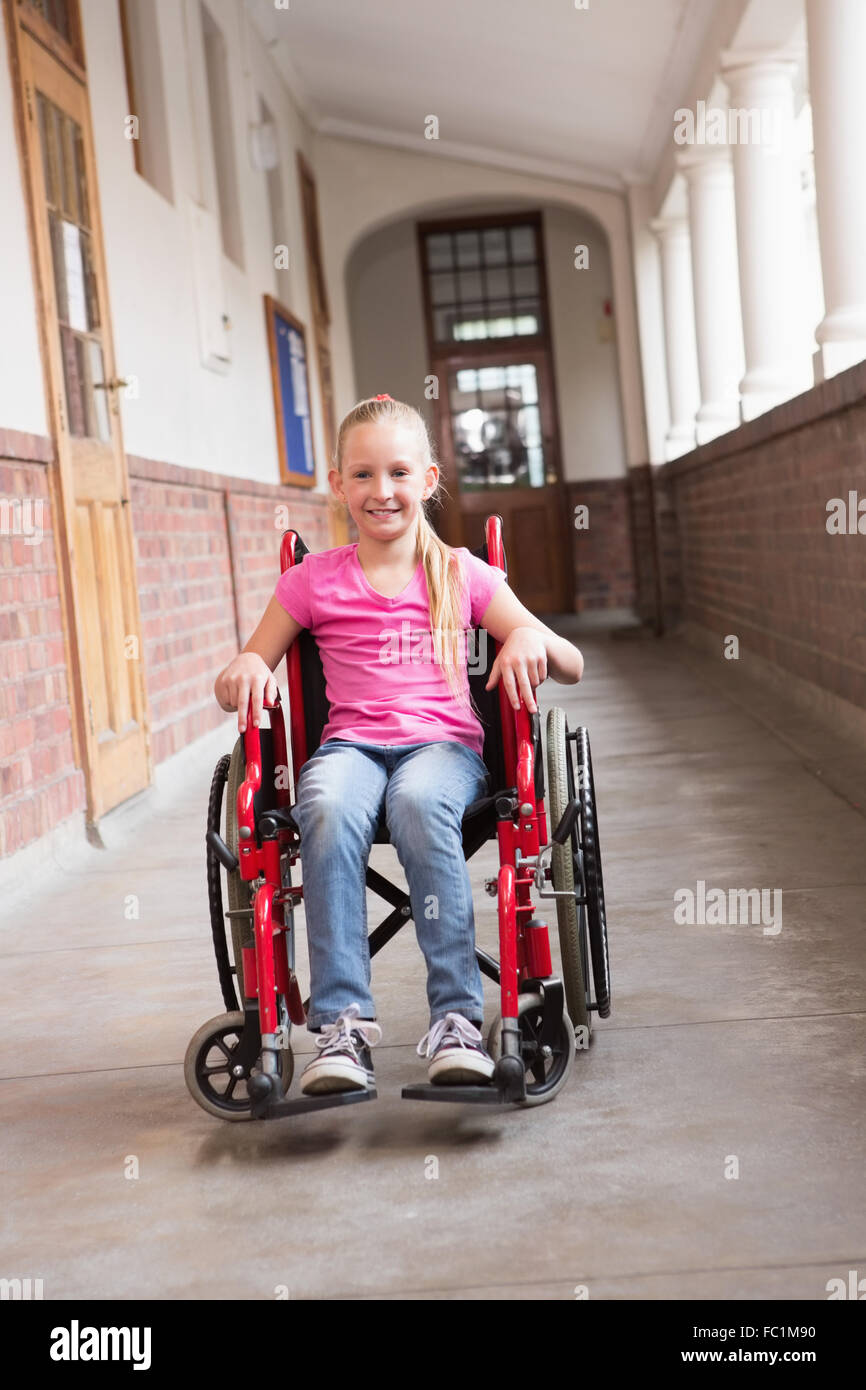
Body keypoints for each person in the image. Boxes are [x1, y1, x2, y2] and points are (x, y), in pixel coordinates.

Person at [213, 394, 583, 1097]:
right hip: (349, 750)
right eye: (363, 476)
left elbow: (571, 661)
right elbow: (252, 663)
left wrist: (530, 636)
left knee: (415, 801)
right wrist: (246, 668)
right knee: (321, 803)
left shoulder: (460, 573)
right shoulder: (310, 581)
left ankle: (457, 1021)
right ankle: (342, 1028)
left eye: (399, 473)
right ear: (338, 484)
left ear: (429, 479)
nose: (381, 492)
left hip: (441, 751)